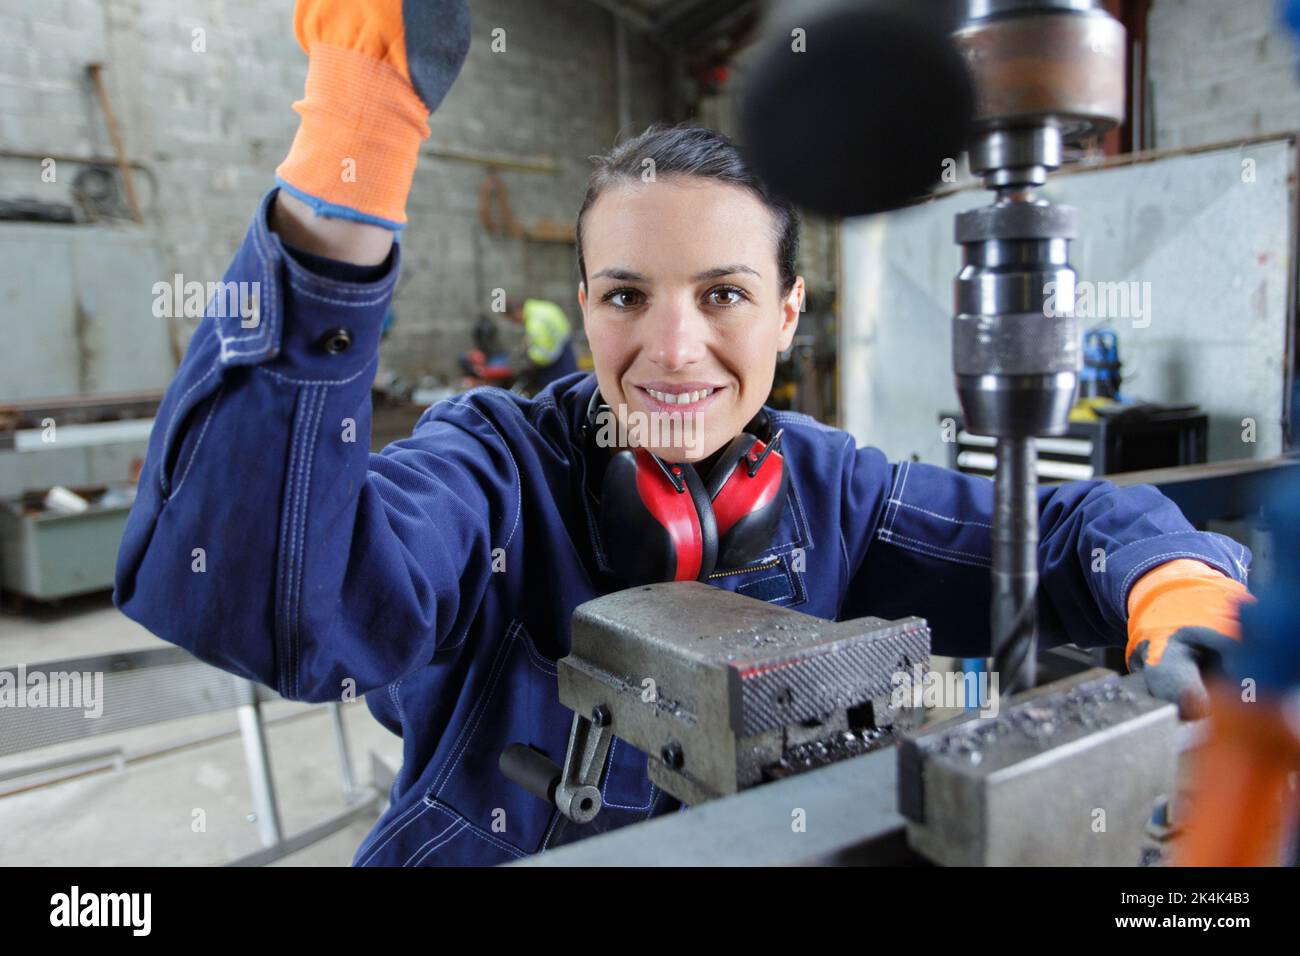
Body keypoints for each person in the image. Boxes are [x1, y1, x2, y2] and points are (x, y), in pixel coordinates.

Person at [114, 0, 1253, 866]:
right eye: (623, 296)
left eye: (721, 294)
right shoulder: (495, 468)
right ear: (581, 300)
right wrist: (354, 139)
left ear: (790, 311)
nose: (670, 349)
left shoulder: (830, 485)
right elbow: (266, 600)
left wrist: (1184, 593)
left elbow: (1073, 529)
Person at [505, 296, 578, 393]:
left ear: (517, 311)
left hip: (556, 365)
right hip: (565, 350)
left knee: (557, 394)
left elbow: (544, 354)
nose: (516, 323)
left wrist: (530, 356)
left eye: (514, 319)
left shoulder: (535, 323)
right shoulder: (540, 307)